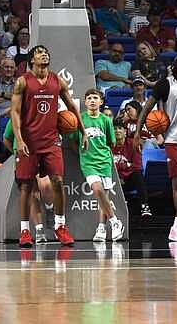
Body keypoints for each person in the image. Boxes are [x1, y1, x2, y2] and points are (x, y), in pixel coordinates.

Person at [11, 45, 85, 248]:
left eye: (46, 52)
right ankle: (25, 230)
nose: (45, 54)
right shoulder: (22, 82)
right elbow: (15, 112)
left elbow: (71, 106)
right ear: (32, 60)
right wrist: (19, 139)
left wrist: (83, 130)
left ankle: (61, 226)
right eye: (39, 53)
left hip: (52, 141)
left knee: (58, 182)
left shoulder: (56, 80)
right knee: (26, 187)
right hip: (30, 143)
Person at [136, 53, 177, 244]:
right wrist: (141, 133)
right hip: (173, 140)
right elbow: (147, 109)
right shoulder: (165, 84)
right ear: (176, 64)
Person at [75, 89, 123, 242]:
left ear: (101, 102)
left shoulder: (106, 120)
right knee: (97, 189)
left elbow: (111, 142)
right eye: (89, 98)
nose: (92, 100)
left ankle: (101, 228)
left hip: (104, 161)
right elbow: (73, 140)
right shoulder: (79, 119)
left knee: (103, 198)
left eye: (95, 98)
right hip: (88, 162)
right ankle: (115, 221)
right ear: (85, 101)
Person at [112, 123, 151, 219]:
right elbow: (108, 166)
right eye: (115, 129)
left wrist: (120, 167)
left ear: (125, 132)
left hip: (129, 178)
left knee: (138, 175)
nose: (117, 131)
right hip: (114, 179)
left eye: (120, 128)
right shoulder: (108, 145)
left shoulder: (133, 144)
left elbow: (137, 166)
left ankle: (145, 206)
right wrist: (126, 165)